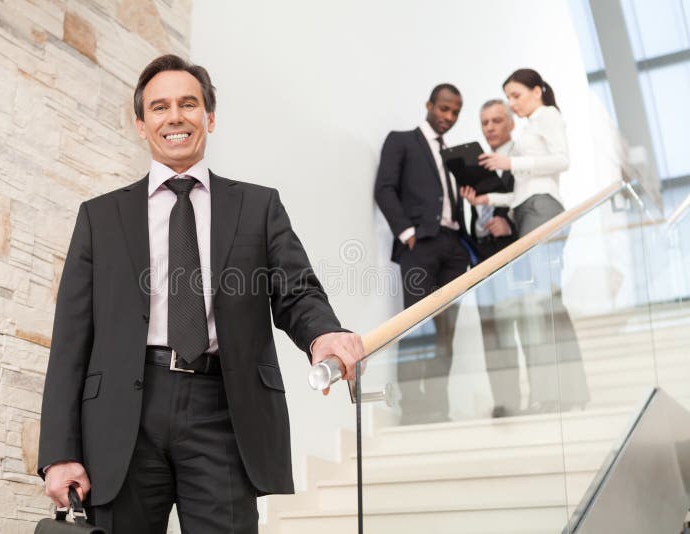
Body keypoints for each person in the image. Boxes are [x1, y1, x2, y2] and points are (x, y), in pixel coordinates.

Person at [37, 54, 364, 533]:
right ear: (141, 124)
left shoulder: (258, 207)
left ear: (209, 118)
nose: (175, 117)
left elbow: (296, 292)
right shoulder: (99, 217)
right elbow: (70, 340)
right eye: (159, 107)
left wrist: (324, 335)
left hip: (225, 410)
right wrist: (59, 453)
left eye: (188, 104)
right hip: (123, 416)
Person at [461, 68, 589, 413]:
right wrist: (485, 202)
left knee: (541, 307)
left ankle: (555, 395)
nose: (513, 103)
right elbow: (519, 193)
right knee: (544, 308)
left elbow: (563, 160)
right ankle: (559, 394)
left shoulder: (546, 115)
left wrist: (511, 161)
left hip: (543, 209)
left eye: (516, 95)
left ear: (537, 91)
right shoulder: (530, 129)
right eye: (510, 97)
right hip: (528, 209)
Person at [374, 84, 470, 424]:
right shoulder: (401, 141)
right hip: (420, 246)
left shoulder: (455, 154)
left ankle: (439, 409)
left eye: (455, 112)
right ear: (429, 105)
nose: (449, 117)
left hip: (455, 248)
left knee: (446, 333)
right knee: (415, 328)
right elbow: (384, 188)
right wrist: (408, 233)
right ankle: (414, 410)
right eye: (444, 108)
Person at [472, 99, 519, 418]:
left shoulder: (521, 159)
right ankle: (505, 400)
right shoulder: (476, 165)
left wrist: (510, 223)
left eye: (497, 120)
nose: (490, 127)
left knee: (521, 328)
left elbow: (530, 199)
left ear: (511, 123)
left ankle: (546, 396)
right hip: (482, 254)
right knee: (492, 333)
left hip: (516, 251)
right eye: (485, 122)